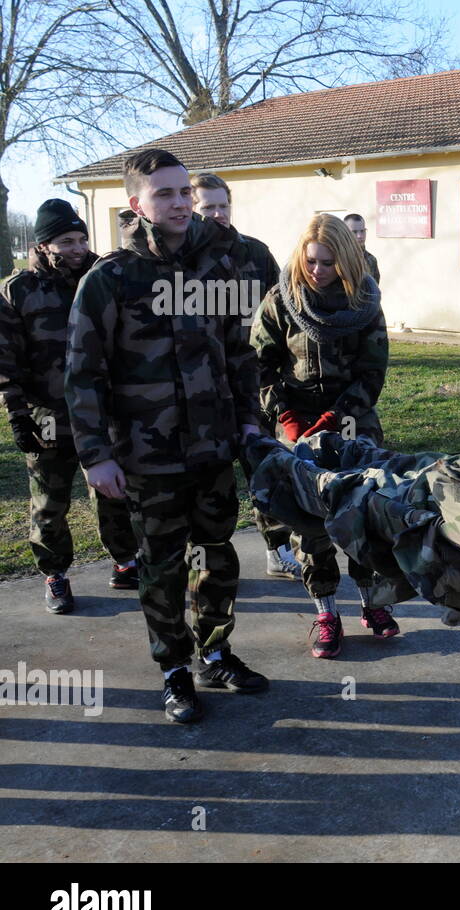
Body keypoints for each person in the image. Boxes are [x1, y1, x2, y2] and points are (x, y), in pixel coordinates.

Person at [66, 148, 270, 723]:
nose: (180, 203)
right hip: (146, 454)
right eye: (165, 194)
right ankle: (174, 669)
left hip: (214, 445)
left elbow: (240, 352)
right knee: (161, 565)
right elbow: (83, 373)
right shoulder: (109, 279)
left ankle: (214, 650)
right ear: (137, 204)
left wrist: (249, 420)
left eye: (184, 192)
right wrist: (96, 455)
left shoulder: (220, 267)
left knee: (218, 556)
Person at [242, 419, 460, 625]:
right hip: (413, 483)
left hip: (382, 505)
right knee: (340, 447)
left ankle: (250, 445)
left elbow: (448, 476)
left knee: (294, 476)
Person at [251, 213, 394, 659]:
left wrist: (337, 416)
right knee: (309, 525)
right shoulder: (281, 300)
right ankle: (327, 613)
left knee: (364, 514)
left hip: (351, 423)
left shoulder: (365, 303)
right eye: (311, 261)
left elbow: (373, 373)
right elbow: (259, 364)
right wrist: (286, 414)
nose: (316, 271)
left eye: (328, 263)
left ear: (346, 262)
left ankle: (374, 605)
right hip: (297, 426)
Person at [0, 199, 137, 611]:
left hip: (104, 410)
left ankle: (125, 561)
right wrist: (17, 414)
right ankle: (55, 574)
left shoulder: (103, 276)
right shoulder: (18, 291)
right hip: (47, 415)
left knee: (114, 492)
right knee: (50, 500)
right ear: (43, 245)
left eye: (81, 239)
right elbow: (6, 358)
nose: (77, 248)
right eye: (66, 241)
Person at [190, 170, 301, 581]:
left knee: (266, 471)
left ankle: (276, 548)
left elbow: (285, 313)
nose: (217, 214)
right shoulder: (182, 260)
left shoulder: (255, 254)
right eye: (207, 207)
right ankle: (202, 565)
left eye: (223, 205)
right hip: (203, 391)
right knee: (206, 486)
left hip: (257, 384)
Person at [343, 214, 379, 285]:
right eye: (354, 232)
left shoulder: (371, 259)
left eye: (362, 231)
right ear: (345, 233)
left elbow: (375, 289)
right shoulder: (338, 258)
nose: (360, 236)